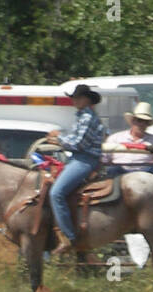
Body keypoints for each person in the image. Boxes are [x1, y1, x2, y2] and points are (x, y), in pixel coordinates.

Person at [44, 82, 107, 255]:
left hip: (85, 160)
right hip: (79, 159)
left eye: (78, 98)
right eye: (74, 98)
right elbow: (75, 138)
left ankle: (69, 237)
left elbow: (79, 143)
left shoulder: (87, 117)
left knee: (56, 193)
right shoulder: (83, 116)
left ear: (86, 99)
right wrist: (60, 139)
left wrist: (58, 139)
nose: (74, 101)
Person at [104, 102, 153, 175]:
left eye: (146, 122)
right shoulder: (115, 138)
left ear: (148, 124)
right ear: (133, 121)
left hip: (146, 172)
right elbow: (105, 158)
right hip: (119, 171)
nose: (142, 124)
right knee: (113, 169)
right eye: (139, 120)